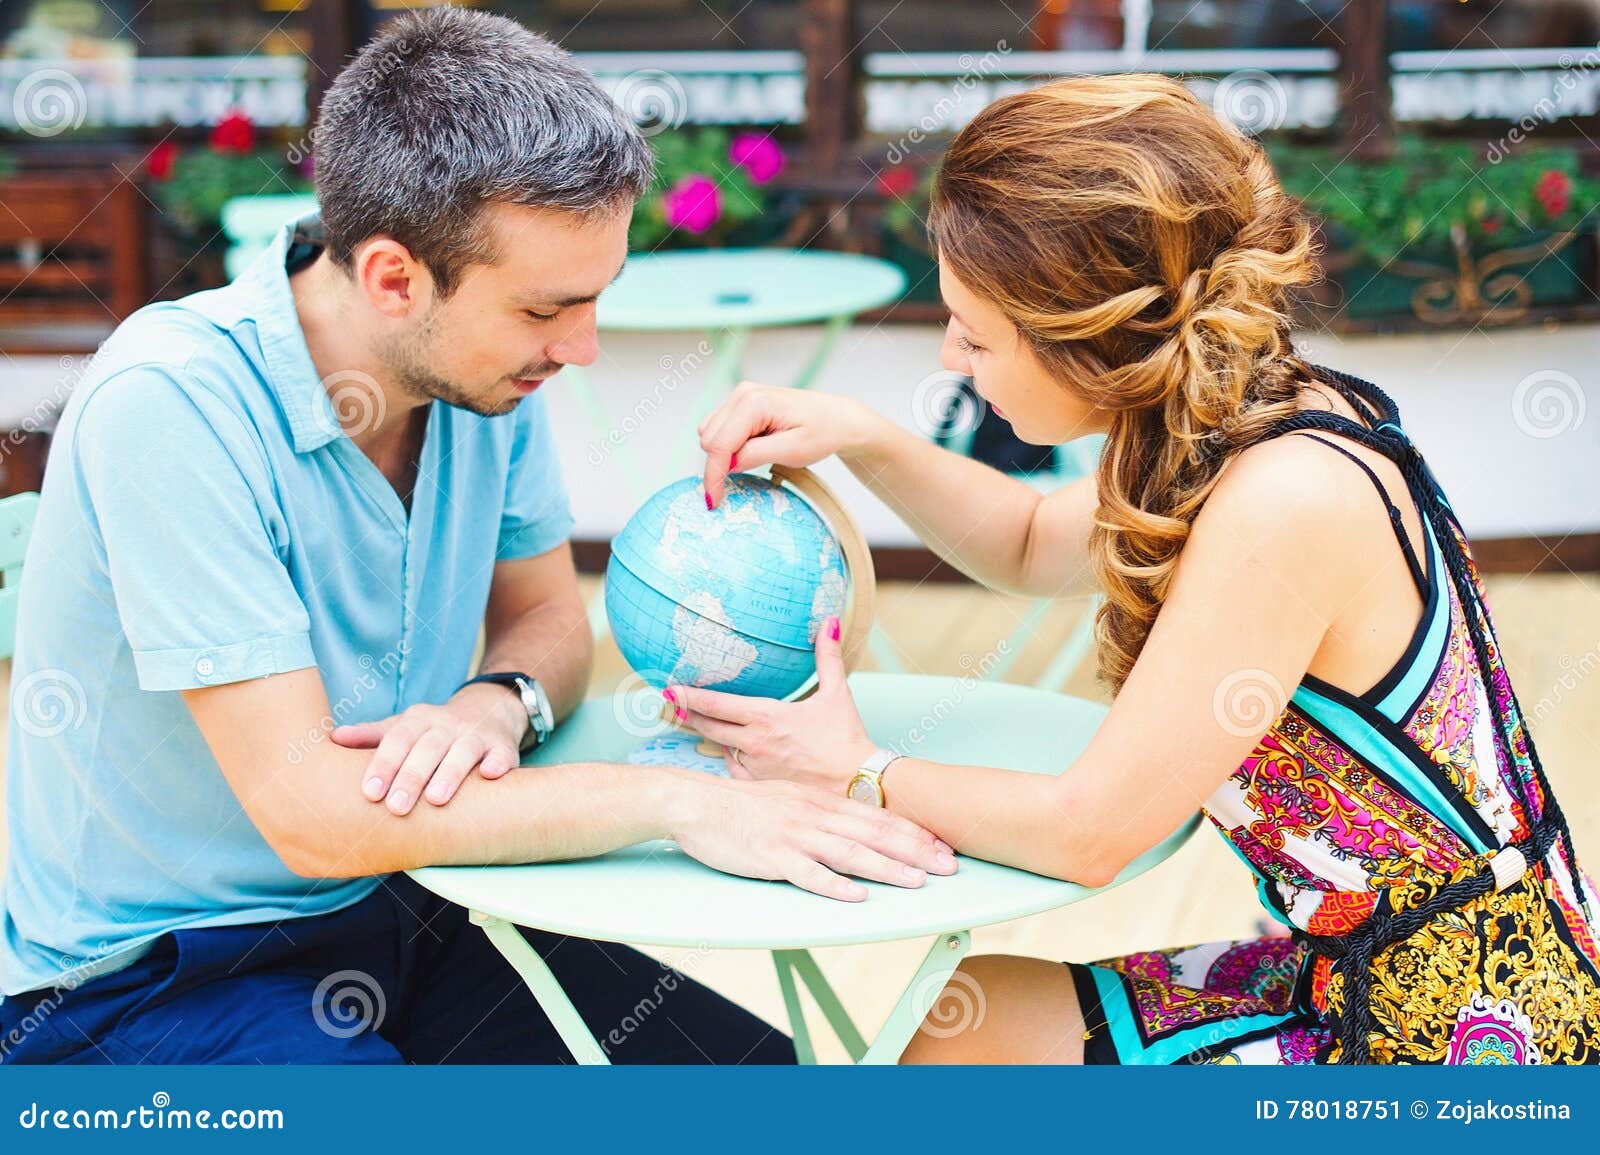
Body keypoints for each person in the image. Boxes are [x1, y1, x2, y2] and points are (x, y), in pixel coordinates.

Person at [0, 6, 954, 1066]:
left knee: (756, 1083)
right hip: (153, 981)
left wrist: (495, 702)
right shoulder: (170, 404)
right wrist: (678, 806)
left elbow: (546, 615)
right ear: (394, 278)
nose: (581, 348)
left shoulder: (477, 372)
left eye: (596, 300)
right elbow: (314, 819)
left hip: (415, 899)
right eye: (549, 310)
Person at [678, 74, 1600, 1065]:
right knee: (972, 1008)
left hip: (1459, 1044)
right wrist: (864, 440)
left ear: (1092, 339)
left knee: (957, 1049)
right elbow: (1032, 541)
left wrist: (855, 770)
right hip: (1380, 975)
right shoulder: (1250, 417)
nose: (953, 361)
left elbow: (1087, 832)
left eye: (976, 334)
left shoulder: (1284, 501)